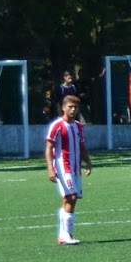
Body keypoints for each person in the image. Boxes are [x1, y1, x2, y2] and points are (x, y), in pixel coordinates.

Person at [44, 94, 91, 246]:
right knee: (71, 197)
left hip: (76, 168)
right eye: (70, 107)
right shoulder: (57, 125)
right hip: (63, 167)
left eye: (75, 107)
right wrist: (50, 169)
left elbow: (81, 146)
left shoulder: (78, 126)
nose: (73, 109)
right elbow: (49, 147)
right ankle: (66, 235)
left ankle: (63, 234)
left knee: (71, 199)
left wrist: (88, 162)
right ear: (63, 107)